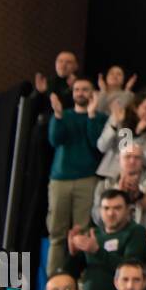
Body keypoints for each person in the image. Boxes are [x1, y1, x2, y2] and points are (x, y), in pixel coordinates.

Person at [46, 77, 107, 275]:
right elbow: (55, 140)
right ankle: (53, 279)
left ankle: (76, 277)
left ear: (93, 93)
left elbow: (97, 145)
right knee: (57, 233)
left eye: (85, 89)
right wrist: (57, 115)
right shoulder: (64, 115)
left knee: (81, 232)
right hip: (60, 179)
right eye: (77, 89)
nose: (80, 93)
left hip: (87, 179)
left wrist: (91, 117)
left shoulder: (101, 118)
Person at [66, 188, 146, 290]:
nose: (111, 213)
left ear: (128, 210)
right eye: (106, 208)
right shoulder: (93, 234)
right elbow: (72, 272)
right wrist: (73, 254)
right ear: (99, 211)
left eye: (117, 208)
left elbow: (131, 269)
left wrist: (97, 251)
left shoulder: (136, 231)